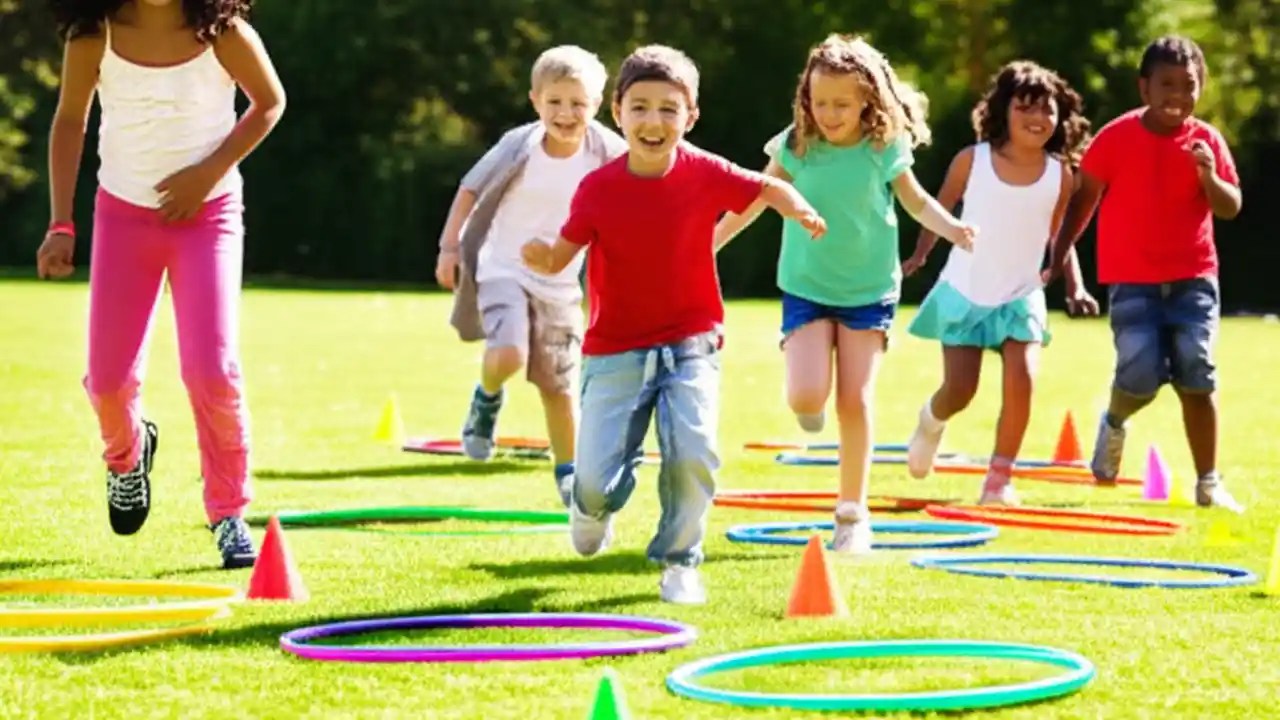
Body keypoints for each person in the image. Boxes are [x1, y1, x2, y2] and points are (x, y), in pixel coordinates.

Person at [521, 45, 826, 603]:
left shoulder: (704, 170)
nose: (653, 121)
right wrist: (542, 257)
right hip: (614, 350)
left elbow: (765, 187)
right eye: (640, 107)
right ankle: (592, 507)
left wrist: (799, 208)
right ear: (617, 112)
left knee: (694, 450)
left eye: (669, 109)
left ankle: (680, 560)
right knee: (593, 480)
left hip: (691, 342)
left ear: (691, 116)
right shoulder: (598, 188)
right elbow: (564, 253)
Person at [37, 0, 286, 568]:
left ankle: (228, 513)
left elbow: (270, 102)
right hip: (123, 218)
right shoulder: (92, 35)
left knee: (211, 372)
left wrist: (207, 174)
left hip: (208, 216)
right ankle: (126, 457)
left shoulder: (222, 33)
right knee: (108, 382)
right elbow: (70, 120)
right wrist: (60, 224)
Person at [712, 34, 975, 554]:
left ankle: (852, 514)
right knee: (808, 397)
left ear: (866, 102)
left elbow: (916, 202)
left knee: (855, 399)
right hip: (808, 287)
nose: (829, 114)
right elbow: (756, 198)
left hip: (869, 290)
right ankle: (807, 402)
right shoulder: (797, 144)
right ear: (805, 98)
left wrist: (954, 229)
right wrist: (710, 242)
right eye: (820, 102)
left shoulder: (883, 147)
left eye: (842, 104)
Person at [1047, 36, 1244, 510]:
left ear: (1201, 87)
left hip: (1194, 278)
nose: (1177, 95)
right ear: (1144, 88)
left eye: (1188, 85)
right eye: (1166, 84)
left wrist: (1208, 175)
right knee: (1139, 375)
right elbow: (1083, 202)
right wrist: (1059, 257)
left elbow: (1231, 207)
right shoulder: (1115, 138)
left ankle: (1209, 482)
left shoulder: (1207, 141)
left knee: (1197, 369)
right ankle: (1114, 420)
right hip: (1132, 280)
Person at [435, 45, 626, 506]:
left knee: (559, 384)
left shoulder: (607, 151)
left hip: (560, 285)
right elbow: (470, 188)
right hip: (503, 267)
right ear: (535, 100)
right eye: (554, 101)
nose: (565, 113)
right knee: (508, 352)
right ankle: (487, 398)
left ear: (596, 105)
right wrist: (449, 247)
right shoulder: (519, 145)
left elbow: (644, 187)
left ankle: (569, 473)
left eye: (577, 103)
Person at [902, 60, 1096, 505]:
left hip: (1021, 294)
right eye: (1025, 107)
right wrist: (920, 255)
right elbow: (938, 210)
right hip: (966, 289)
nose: (1038, 118)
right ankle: (930, 421)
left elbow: (1059, 236)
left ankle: (998, 479)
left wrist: (1075, 286)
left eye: (1047, 109)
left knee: (1023, 379)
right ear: (1003, 111)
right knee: (960, 390)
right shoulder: (972, 161)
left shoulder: (1061, 174)